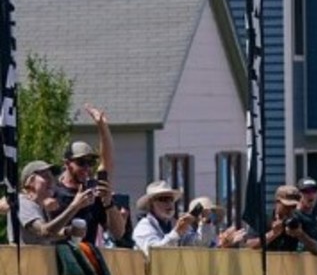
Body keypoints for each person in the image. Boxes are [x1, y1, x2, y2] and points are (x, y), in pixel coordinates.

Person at [55, 105, 126, 246]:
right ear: (67, 163)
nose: (87, 168)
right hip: (55, 260)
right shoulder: (53, 190)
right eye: (81, 162)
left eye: (91, 162)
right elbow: (43, 232)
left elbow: (118, 233)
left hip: (86, 260)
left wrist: (109, 203)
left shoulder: (93, 193)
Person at [16, 160, 95, 245]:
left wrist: (68, 231)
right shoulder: (23, 202)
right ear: (30, 182)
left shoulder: (41, 207)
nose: (51, 180)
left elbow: (50, 234)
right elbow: (44, 232)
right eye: (45, 176)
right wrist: (74, 206)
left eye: (51, 176)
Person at [132, 181, 199, 255]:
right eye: (163, 199)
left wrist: (205, 223)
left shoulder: (176, 223)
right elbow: (155, 253)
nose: (169, 203)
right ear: (151, 204)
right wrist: (177, 233)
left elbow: (198, 245)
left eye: (171, 199)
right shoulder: (143, 227)